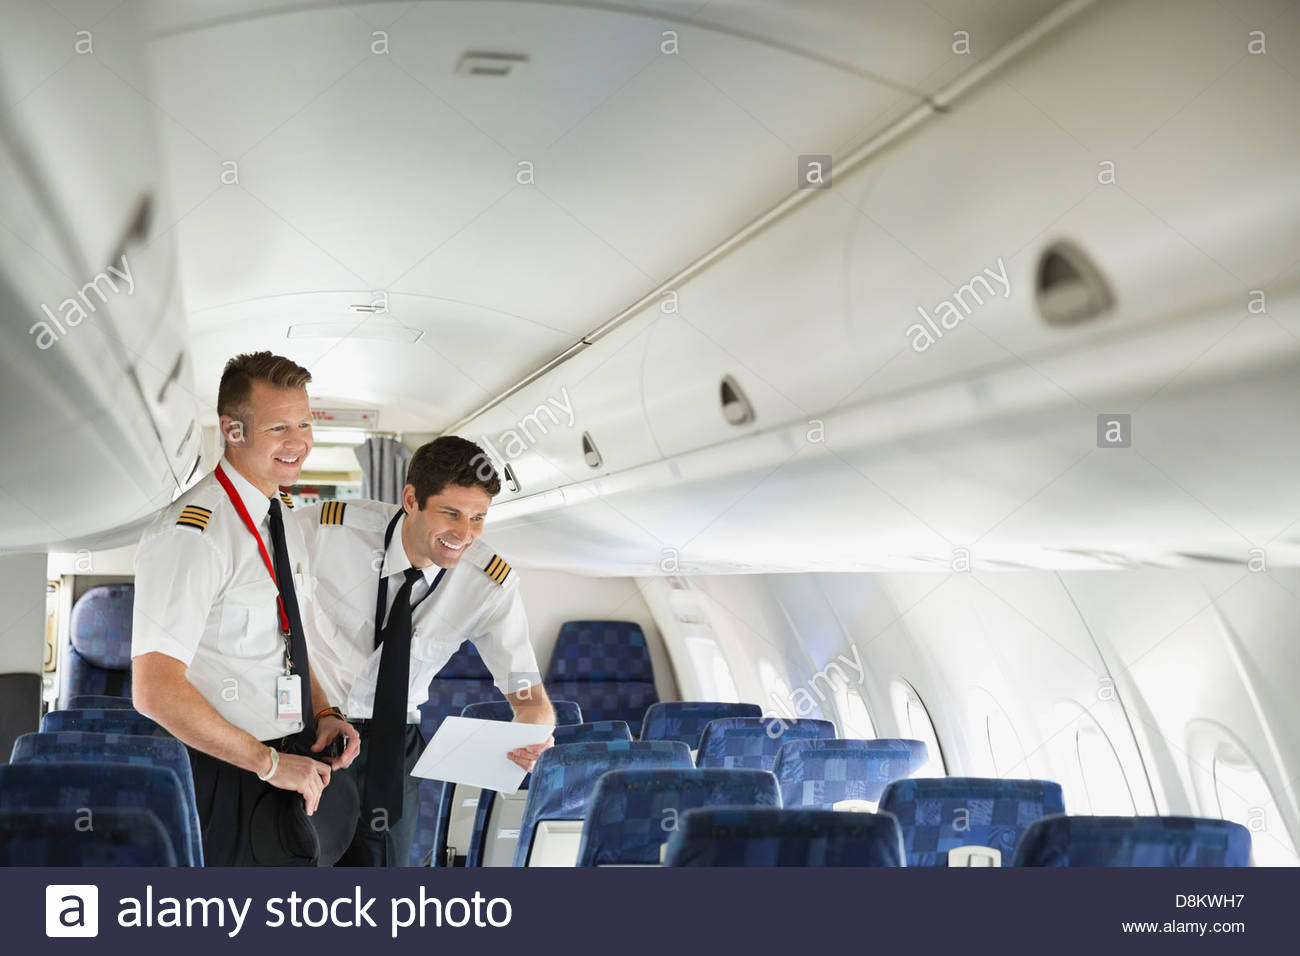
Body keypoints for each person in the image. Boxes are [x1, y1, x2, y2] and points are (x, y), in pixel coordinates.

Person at [131, 351, 362, 866]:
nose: (298, 441)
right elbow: (154, 689)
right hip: (224, 776)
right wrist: (268, 763)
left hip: (288, 759)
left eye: (304, 423)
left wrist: (323, 712)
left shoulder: (280, 515)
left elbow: (288, 639)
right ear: (232, 430)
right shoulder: (192, 534)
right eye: (279, 426)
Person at [299, 436, 554, 866]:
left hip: (395, 747)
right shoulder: (326, 531)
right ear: (411, 499)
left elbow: (529, 695)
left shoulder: (488, 582)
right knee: (298, 865)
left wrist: (534, 732)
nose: (465, 533)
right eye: (451, 513)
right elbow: (266, 599)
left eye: (478, 518)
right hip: (315, 728)